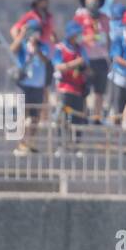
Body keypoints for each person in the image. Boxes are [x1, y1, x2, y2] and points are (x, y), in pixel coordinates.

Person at [10, 18, 52, 156]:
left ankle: (30, 141)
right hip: (24, 85)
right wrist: (21, 35)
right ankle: (21, 143)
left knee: (35, 117)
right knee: (23, 114)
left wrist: (37, 50)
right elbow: (12, 49)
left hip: (38, 86)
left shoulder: (43, 46)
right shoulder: (23, 45)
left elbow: (46, 60)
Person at [73, 0, 111, 122]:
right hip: (86, 58)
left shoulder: (104, 18)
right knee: (83, 91)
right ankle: (82, 116)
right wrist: (87, 38)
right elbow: (75, 38)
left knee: (99, 91)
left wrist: (97, 37)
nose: (93, 2)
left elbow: (106, 38)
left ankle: (96, 117)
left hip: (101, 58)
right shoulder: (79, 18)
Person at [53, 20, 90, 155]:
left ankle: (76, 147)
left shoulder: (81, 49)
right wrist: (74, 63)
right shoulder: (60, 48)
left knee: (78, 120)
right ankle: (61, 146)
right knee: (62, 119)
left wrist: (84, 68)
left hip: (79, 90)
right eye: (76, 34)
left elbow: (87, 65)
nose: (78, 37)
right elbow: (59, 67)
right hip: (65, 89)